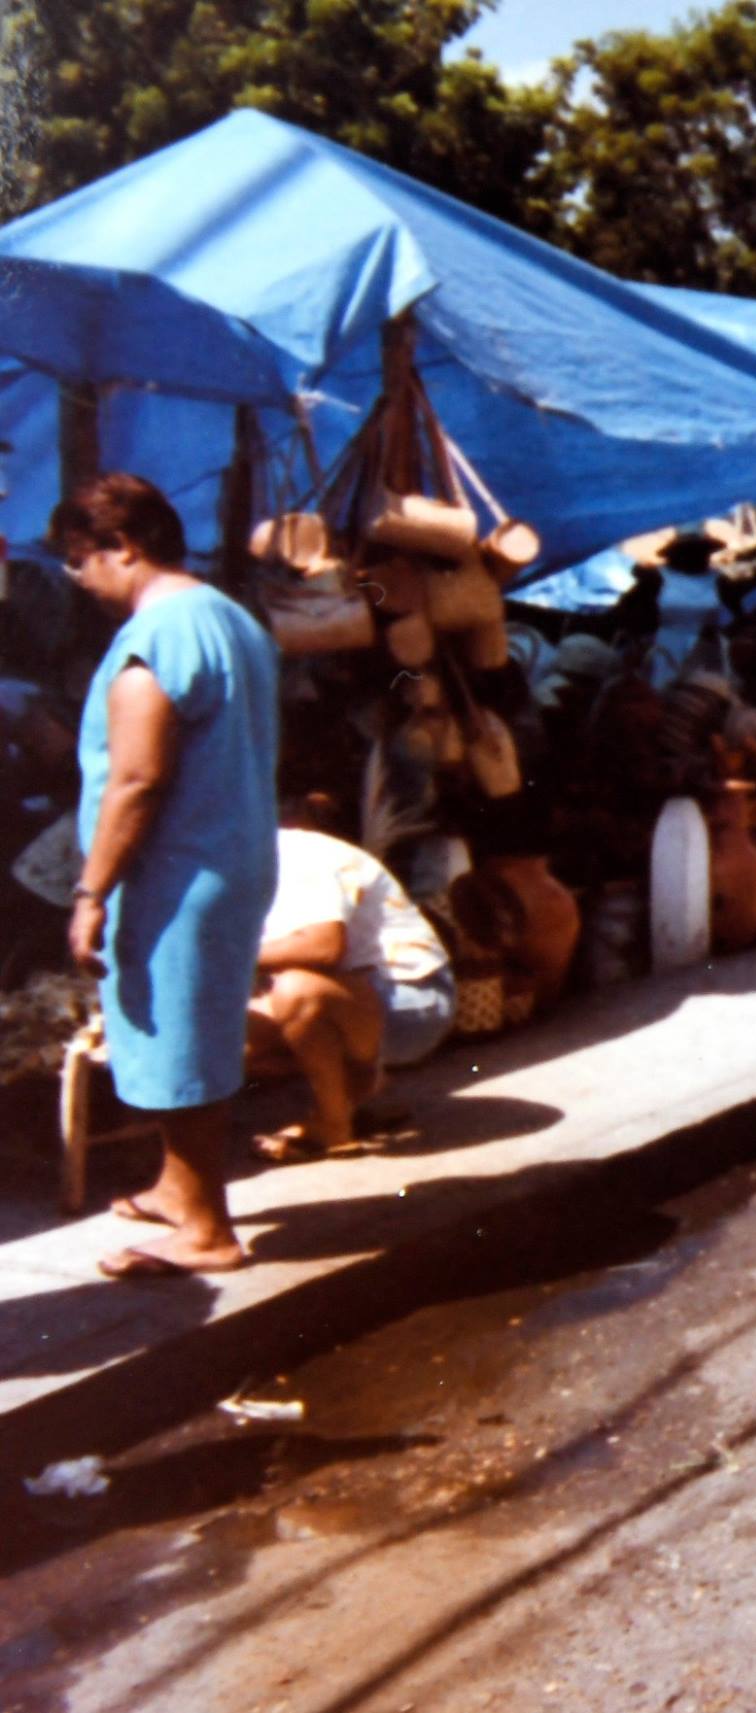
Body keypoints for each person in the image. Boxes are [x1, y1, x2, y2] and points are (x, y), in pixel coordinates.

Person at [55, 473, 280, 1278]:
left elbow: (137, 776)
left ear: (125, 547)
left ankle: (206, 1230)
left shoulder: (162, 631)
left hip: (177, 868)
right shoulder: (230, 617)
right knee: (194, 1022)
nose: (80, 580)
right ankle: (178, 1187)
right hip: (229, 854)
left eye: (83, 561)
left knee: (176, 1031)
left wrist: (91, 892)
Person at [246, 817, 456, 1162]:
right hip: (359, 997)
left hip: (414, 998)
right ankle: (363, 1088)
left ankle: (333, 1125)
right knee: (228, 1045)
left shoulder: (295, 855)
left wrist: (225, 960)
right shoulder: (246, 864)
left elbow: (323, 947)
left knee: (297, 992)